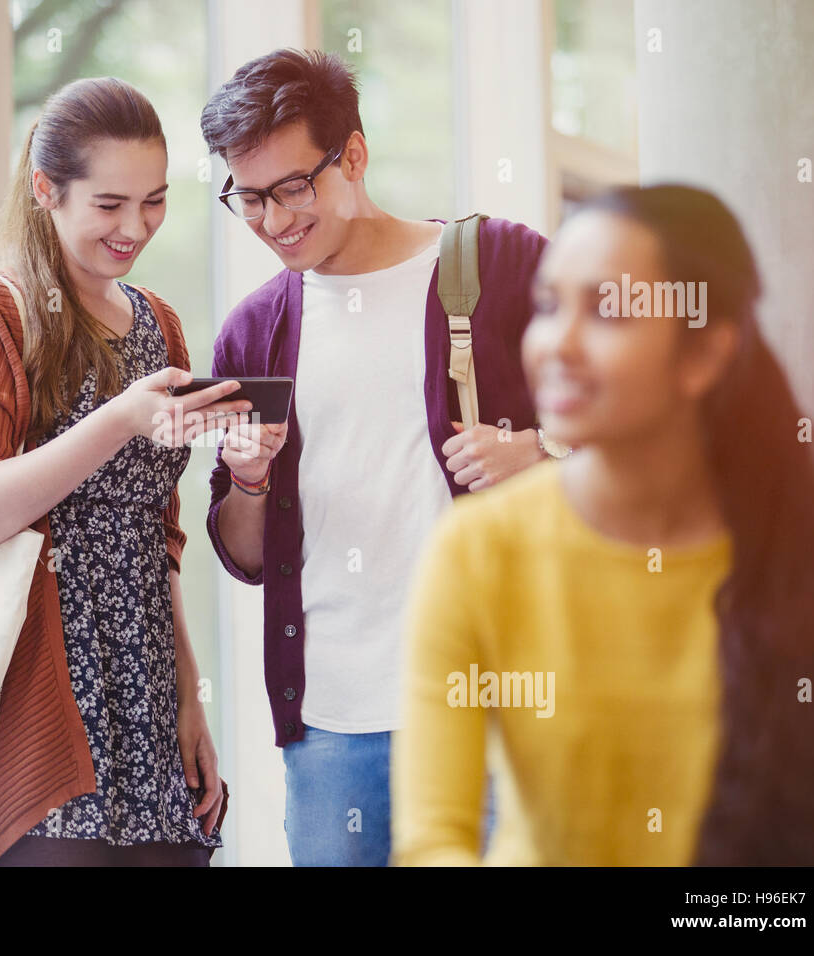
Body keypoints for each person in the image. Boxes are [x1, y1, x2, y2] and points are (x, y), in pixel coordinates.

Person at [393, 183, 814, 865]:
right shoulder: (476, 550)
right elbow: (434, 841)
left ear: (704, 354)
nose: (557, 344)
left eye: (607, 310)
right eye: (548, 306)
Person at [198, 48, 550, 865]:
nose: (273, 221)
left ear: (352, 156)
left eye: (293, 187)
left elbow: (646, 415)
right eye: (248, 197)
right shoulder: (252, 334)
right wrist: (248, 482)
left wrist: (540, 451)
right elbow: (247, 557)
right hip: (332, 728)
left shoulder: (501, 266)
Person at [0, 76, 246, 867]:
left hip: (146, 703)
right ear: (45, 189)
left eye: (154, 201)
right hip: (33, 702)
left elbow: (159, 536)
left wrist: (188, 699)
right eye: (109, 204)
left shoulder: (159, 323)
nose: (136, 227)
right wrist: (121, 418)